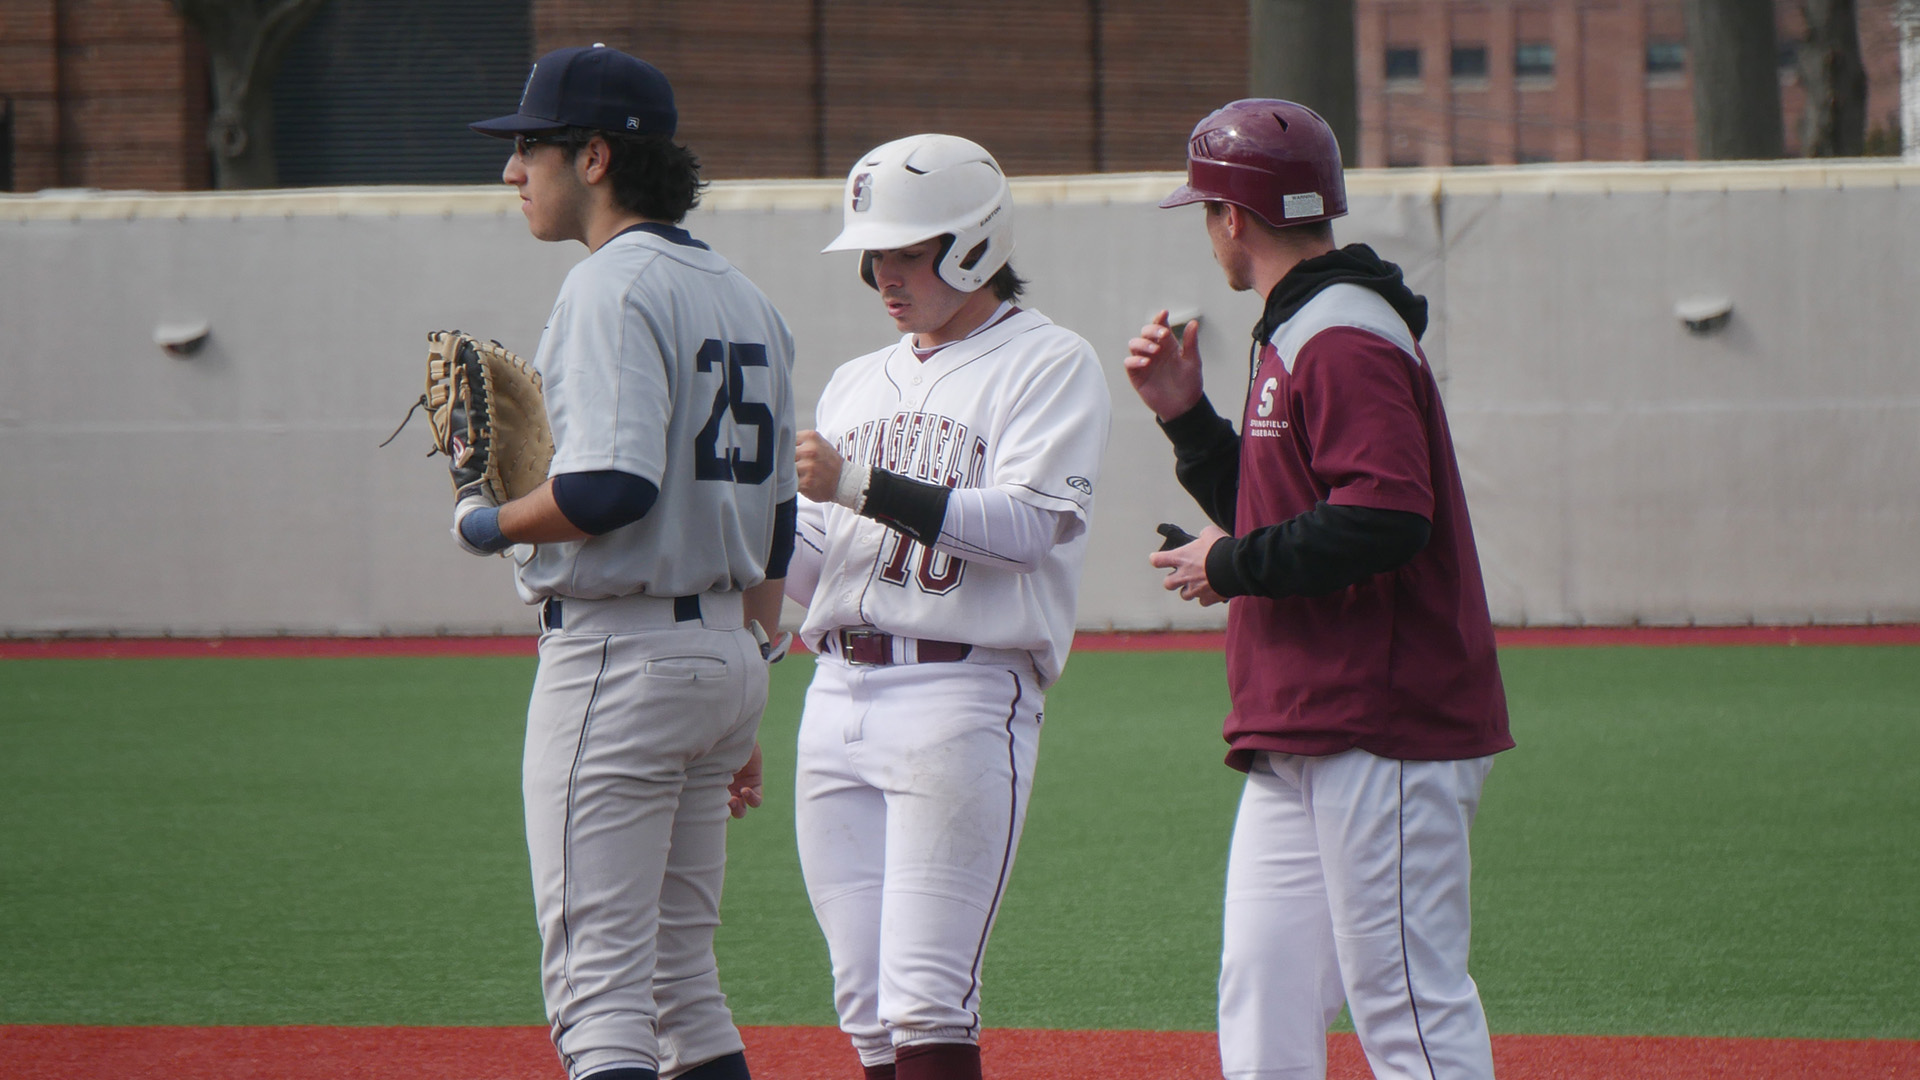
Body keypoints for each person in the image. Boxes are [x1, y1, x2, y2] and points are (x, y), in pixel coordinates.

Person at [1126, 100, 1514, 1080]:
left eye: (1207, 206)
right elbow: (1279, 504)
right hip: (1307, 721)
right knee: (1264, 992)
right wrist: (1187, 422)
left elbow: (1386, 516)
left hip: (1381, 722)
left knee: (1409, 1011)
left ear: (1232, 218)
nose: (1208, 225)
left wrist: (1230, 565)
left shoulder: (1339, 332)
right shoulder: (1306, 322)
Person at [460, 44, 798, 1080]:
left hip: (619, 661)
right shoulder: (746, 297)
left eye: (530, 147)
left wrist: (486, 521)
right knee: (680, 986)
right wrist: (742, 684)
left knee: (600, 991)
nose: (513, 171)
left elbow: (611, 490)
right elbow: (779, 522)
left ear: (595, 156)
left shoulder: (610, 289)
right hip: (723, 653)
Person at [783, 133, 1111, 1080]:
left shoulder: (1048, 362)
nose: (884, 272)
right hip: (835, 692)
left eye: (906, 249)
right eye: (874, 254)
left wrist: (856, 484)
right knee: (865, 1007)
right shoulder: (857, 379)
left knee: (927, 996)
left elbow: (1029, 527)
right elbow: (813, 556)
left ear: (972, 243)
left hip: (959, 694)